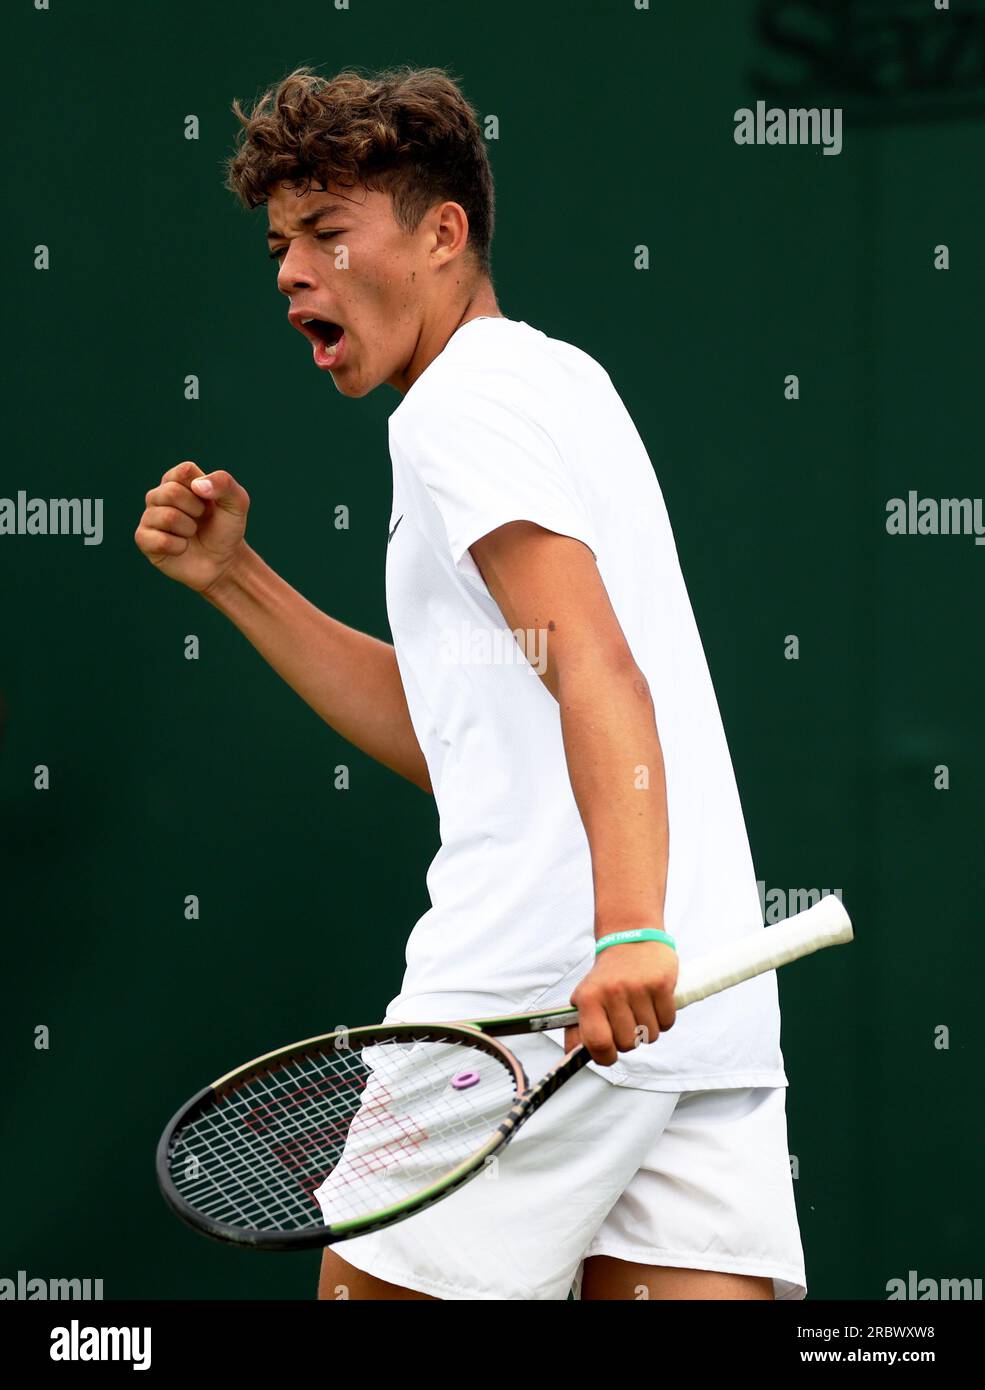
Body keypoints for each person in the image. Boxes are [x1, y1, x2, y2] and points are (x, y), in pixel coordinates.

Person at [134, 63, 806, 1301]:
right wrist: (239, 581)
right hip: (696, 1007)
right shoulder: (562, 382)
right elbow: (470, 728)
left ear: (443, 235)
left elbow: (599, 666)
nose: (291, 271)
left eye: (329, 235)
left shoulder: (454, 411)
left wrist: (623, 927)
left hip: (538, 1002)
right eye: (282, 244)